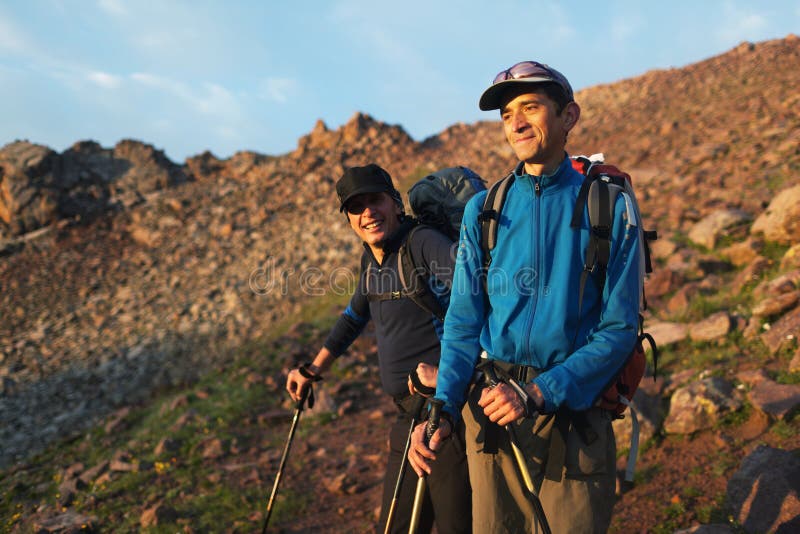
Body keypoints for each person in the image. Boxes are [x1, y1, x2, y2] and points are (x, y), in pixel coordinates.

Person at [408, 61, 642, 533]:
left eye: (530, 108)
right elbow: (462, 323)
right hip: (494, 417)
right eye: (507, 113)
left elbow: (620, 328)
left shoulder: (609, 206)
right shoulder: (485, 209)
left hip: (576, 416)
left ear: (568, 117)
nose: (515, 122)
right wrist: (444, 408)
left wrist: (538, 392)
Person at [285, 163, 471, 534]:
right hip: (407, 417)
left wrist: (449, 376)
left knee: (458, 527)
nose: (368, 212)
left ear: (395, 203)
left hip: (446, 415)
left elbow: (476, 296)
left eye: (376, 200)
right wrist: (312, 370)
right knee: (397, 525)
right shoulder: (372, 259)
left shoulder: (421, 242)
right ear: (349, 219)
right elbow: (354, 317)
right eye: (356, 207)